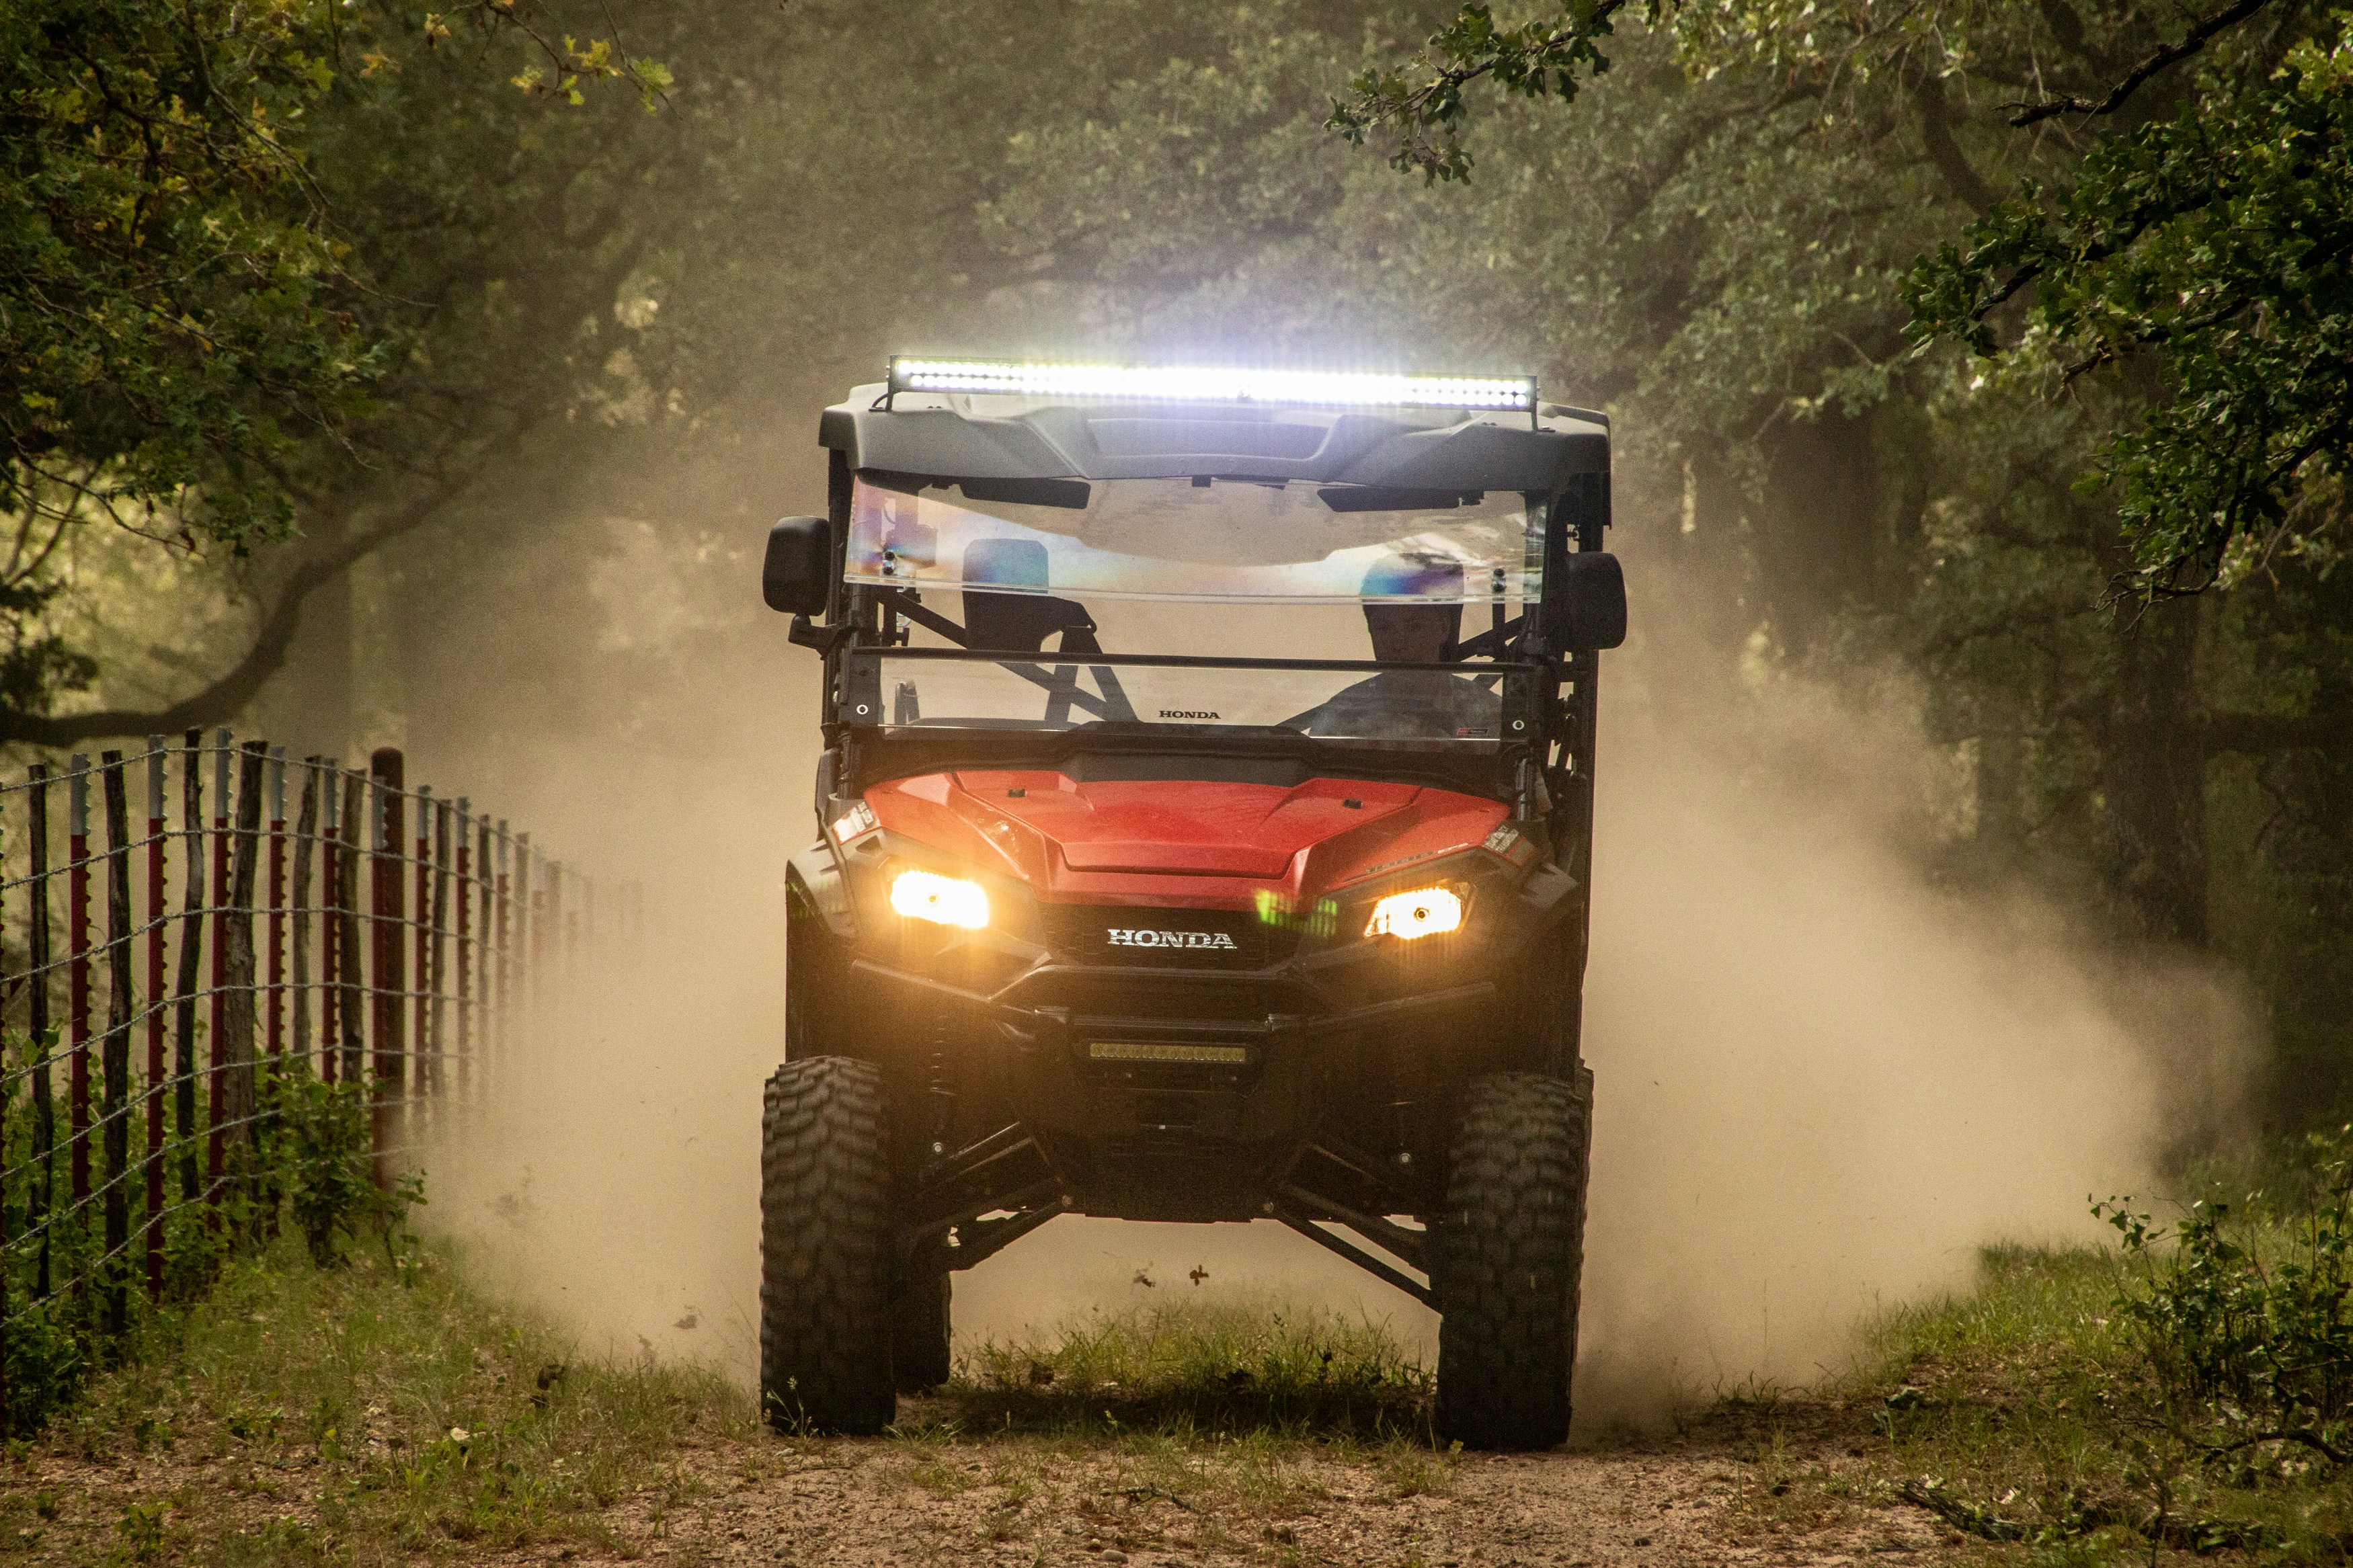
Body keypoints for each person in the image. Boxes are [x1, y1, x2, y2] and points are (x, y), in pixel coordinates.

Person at [1302, 555, 1499, 740]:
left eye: (1413, 627)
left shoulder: (1488, 714)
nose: (1398, 643)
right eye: (1384, 628)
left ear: (1443, 628)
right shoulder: (1342, 715)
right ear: (1371, 631)